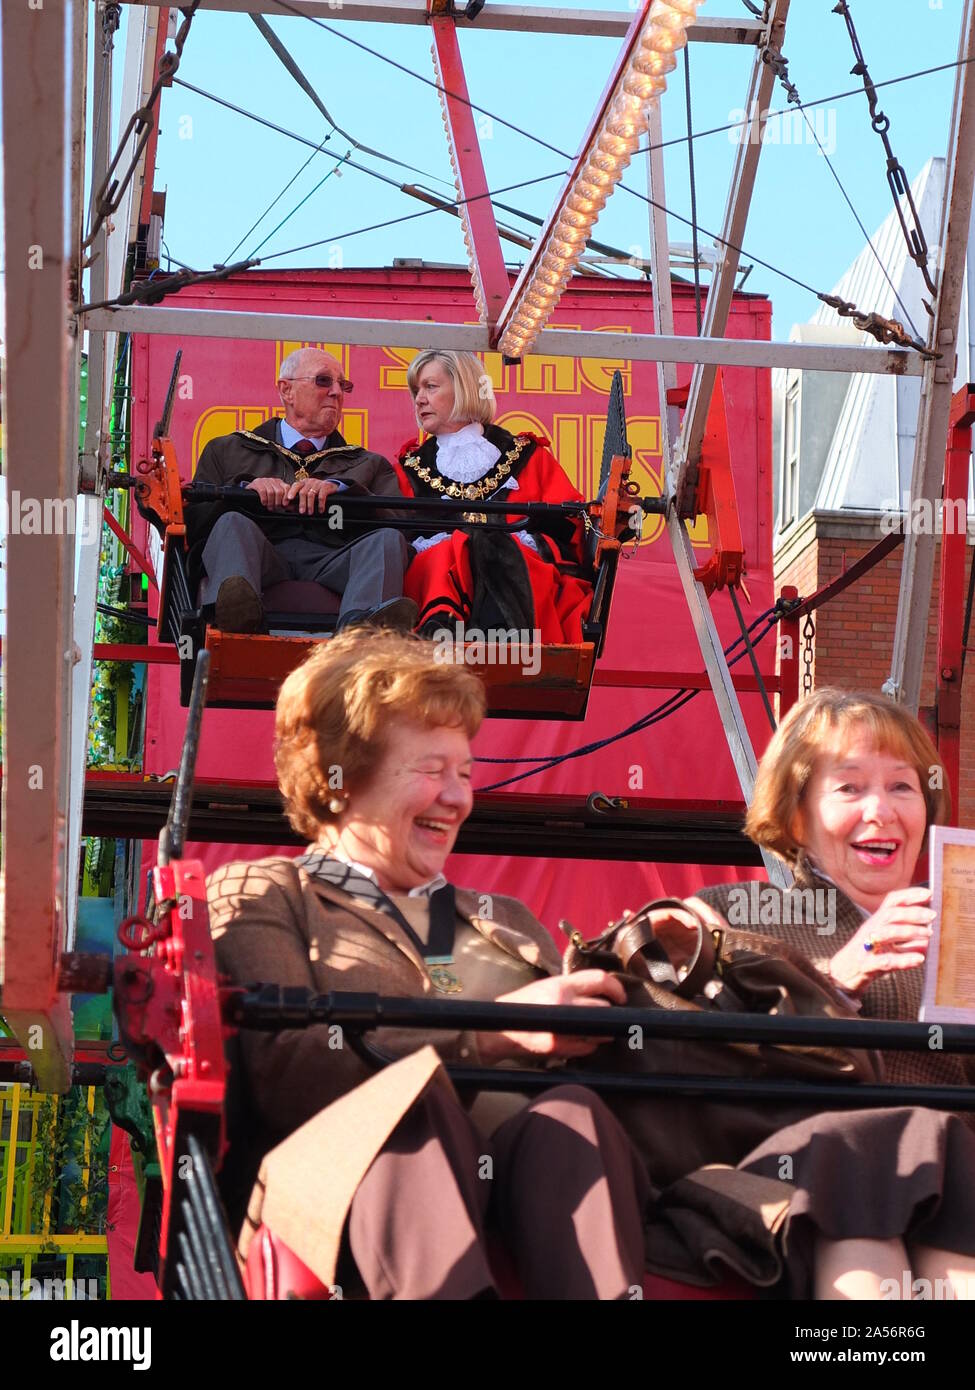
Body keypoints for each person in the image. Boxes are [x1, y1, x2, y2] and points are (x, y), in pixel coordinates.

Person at [207, 628, 649, 1300]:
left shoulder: (504, 920)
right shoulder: (269, 895)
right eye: (430, 770)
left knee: (573, 1114)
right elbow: (284, 1072)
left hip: (516, 1182)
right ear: (342, 777)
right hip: (347, 1188)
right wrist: (492, 1033)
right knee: (414, 1104)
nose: (458, 797)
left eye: (465, 772)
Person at [647, 688, 975, 1299]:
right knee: (873, 1155)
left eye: (902, 787)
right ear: (796, 817)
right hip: (792, 1177)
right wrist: (835, 979)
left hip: (946, 1184)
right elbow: (653, 1024)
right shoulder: (727, 914)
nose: (881, 810)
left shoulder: (962, 929)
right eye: (849, 788)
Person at [190, 347, 417, 634]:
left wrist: (345, 491)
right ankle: (239, 619)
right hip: (262, 556)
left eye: (343, 385)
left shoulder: (368, 464)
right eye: (324, 381)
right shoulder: (227, 450)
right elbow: (194, 524)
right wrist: (246, 490)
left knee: (386, 540)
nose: (337, 392)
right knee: (231, 523)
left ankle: (362, 634)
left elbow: (402, 525)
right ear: (287, 391)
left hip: (335, 560)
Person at [391, 349, 592, 642]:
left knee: (504, 553)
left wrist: (501, 542)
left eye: (430, 387)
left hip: (524, 571)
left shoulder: (528, 455)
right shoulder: (408, 469)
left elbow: (567, 526)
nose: (419, 399)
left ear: (465, 388)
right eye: (416, 390)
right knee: (442, 555)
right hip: (435, 578)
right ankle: (438, 642)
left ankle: (509, 650)